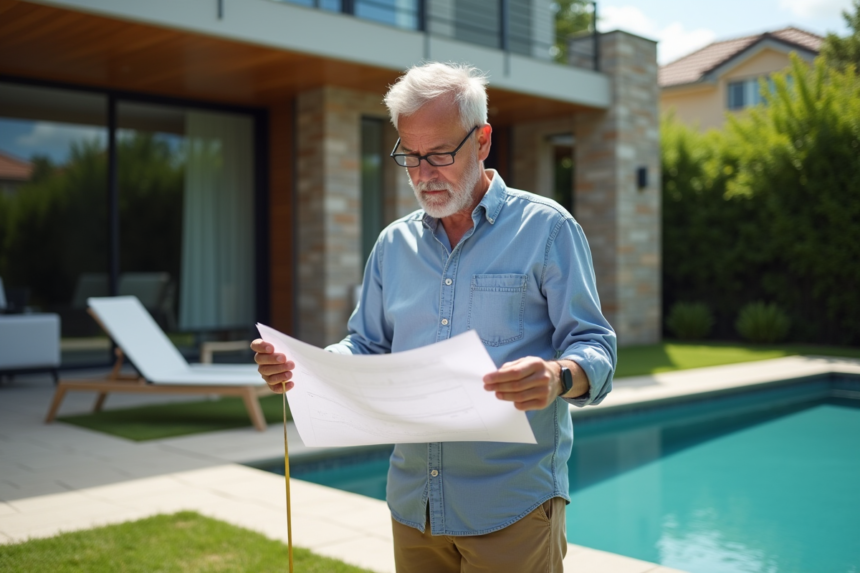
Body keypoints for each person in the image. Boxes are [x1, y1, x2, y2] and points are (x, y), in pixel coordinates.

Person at [252, 62, 616, 573]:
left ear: (483, 141)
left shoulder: (549, 230)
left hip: (512, 508)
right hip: (413, 506)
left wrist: (560, 376)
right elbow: (366, 346)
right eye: (411, 156)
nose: (424, 174)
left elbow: (596, 345)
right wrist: (307, 365)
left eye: (440, 154)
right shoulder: (391, 245)